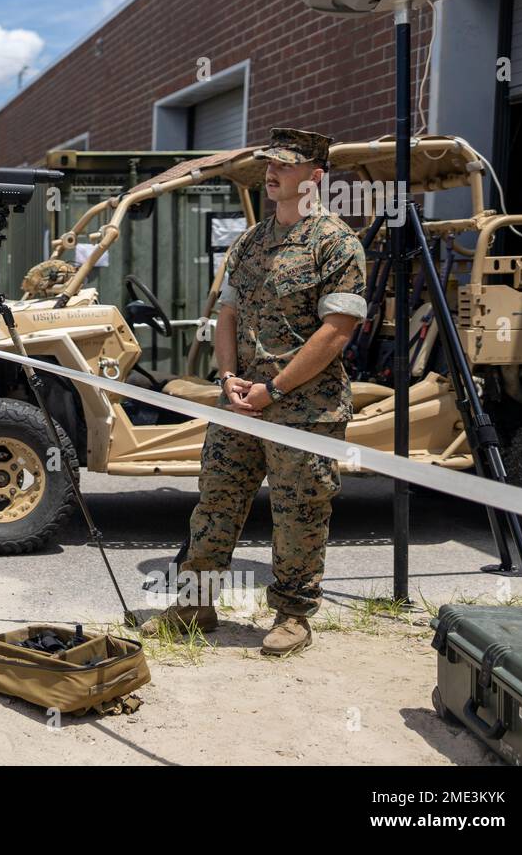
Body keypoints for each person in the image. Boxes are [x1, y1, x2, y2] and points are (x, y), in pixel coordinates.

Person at [141, 128, 367, 656]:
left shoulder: (336, 242)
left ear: (314, 177)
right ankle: (195, 606)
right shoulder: (253, 239)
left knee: (299, 513)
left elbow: (336, 331)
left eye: (284, 166)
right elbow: (227, 313)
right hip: (240, 404)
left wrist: (276, 387)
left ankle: (292, 616)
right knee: (216, 503)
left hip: (304, 410)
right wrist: (226, 378)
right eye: (269, 163)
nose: (271, 172)